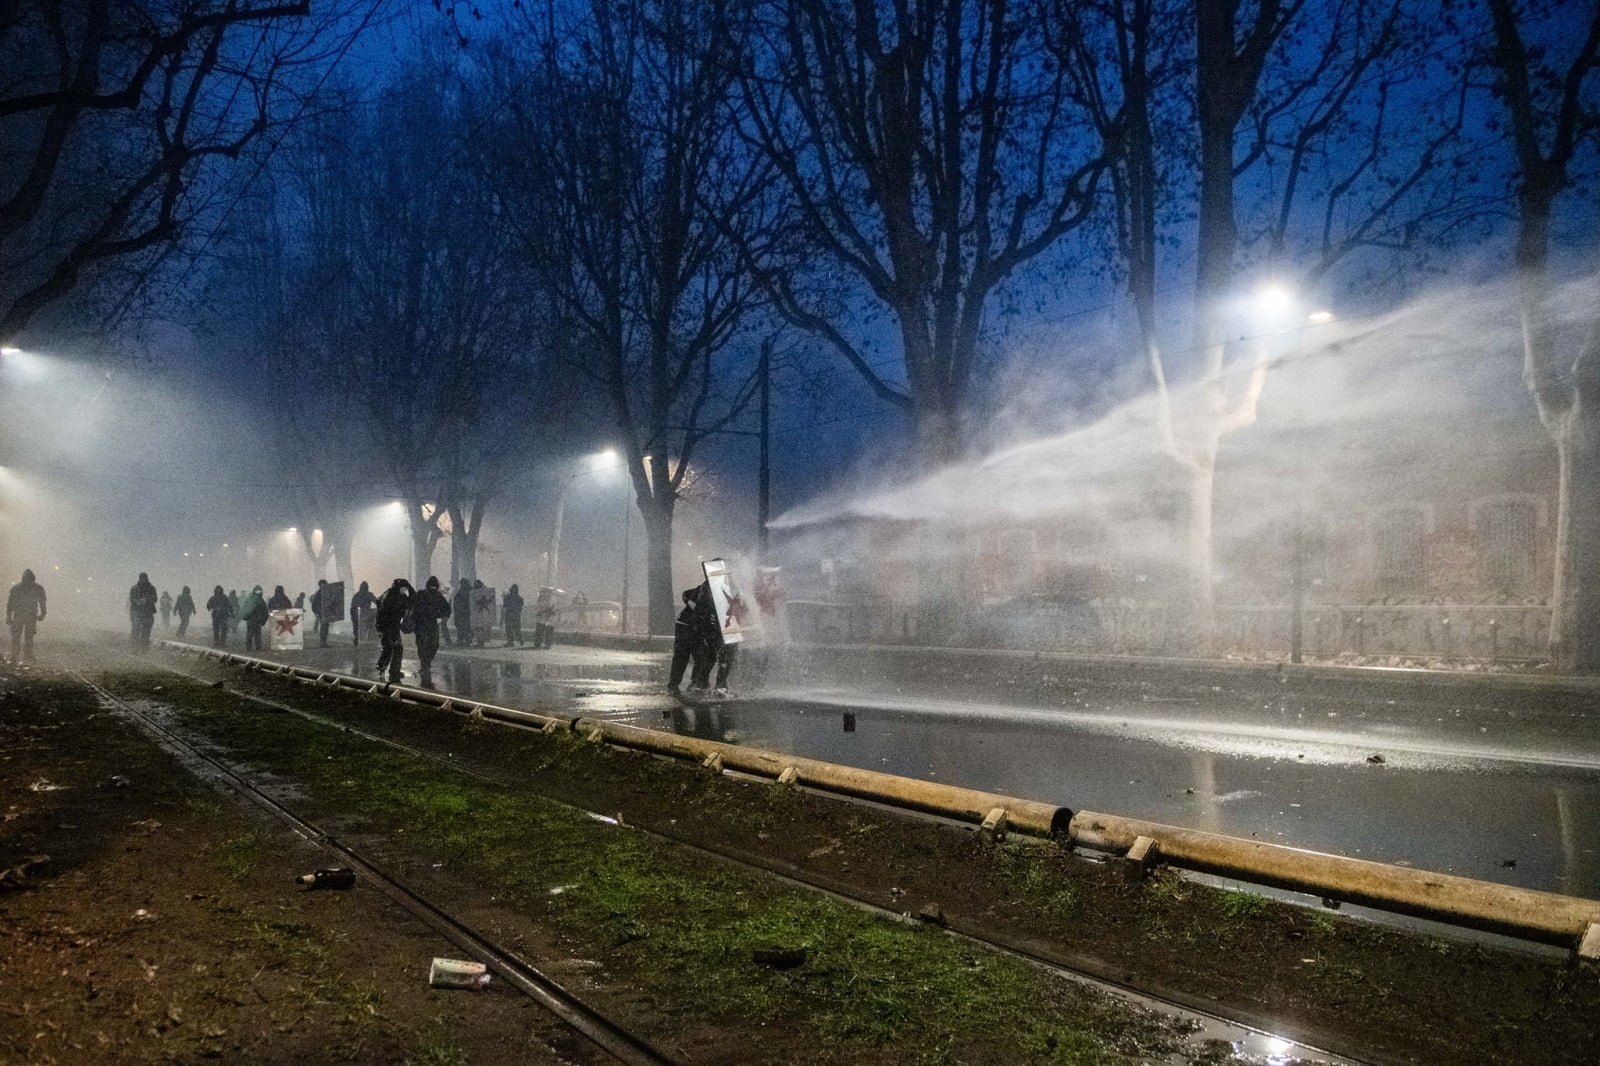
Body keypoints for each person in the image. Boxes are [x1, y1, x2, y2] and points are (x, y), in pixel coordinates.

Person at [411, 576, 452, 688]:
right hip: (421, 623)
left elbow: (446, 609)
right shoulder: (421, 594)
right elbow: (413, 608)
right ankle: (425, 664)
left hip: (431, 624)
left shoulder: (438, 596)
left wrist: (442, 617)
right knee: (423, 645)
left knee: (433, 645)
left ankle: (426, 662)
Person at [374, 578, 414, 683]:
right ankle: (387, 669)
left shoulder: (391, 595)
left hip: (388, 626)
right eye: (404, 588)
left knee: (393, 647)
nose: (405, 590)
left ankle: (387, 668)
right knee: (393, 647)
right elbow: (411, 602)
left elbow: (411, 601)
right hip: (388, 626)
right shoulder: (394, 597)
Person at [7, 569, 46, 663]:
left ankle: (18, 655)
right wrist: (42, 614)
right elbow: (42, 603)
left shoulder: (16, 588)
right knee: (25, 636)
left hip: (22, 615)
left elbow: (10, 604)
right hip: (28, 615)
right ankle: (23, 655)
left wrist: (8, 616)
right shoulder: (38, 588)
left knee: (21, 636)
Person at [667, 586, 699, 692]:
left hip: (699, 627)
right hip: (685, 625)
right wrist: (692, 604)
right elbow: (686, 594)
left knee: (702, 657)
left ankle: (695, 683)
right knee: (681, 656)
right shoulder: (704, 588)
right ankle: (673, 685)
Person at [128, 573, 158, 649]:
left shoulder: (151, 588)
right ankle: (135, 647)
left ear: (146, 578)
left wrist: (146, 600)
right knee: (136, 630)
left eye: (144, 578)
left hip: (148, 612)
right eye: (142, 578)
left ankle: (144, 649)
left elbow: (155, 598)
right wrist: (137, 602)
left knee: (146, 632)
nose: (143, 580)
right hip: (137, 612)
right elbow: (132, 599)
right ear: (140, 579)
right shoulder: (134, 588)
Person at [349, 581, 378, 648]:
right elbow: (377, 602)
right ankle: (367, 640)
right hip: (365, 614)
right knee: (368, 626)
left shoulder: (356, 595)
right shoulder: (369, 594)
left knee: (356, 628)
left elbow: (352, 605)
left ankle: (356, 639)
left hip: (355, 614)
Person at [241, 585, 269, 651]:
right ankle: (258, 648)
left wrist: (246, 618)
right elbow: (265, 612)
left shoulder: (250, 600)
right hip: (257, 620)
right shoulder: (261, 601)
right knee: (257, 635)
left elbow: (244, 609)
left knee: (250, 635)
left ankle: (249, 648)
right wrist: (262, 621)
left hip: (251, 620)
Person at [310, 578, 332, 648]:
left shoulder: (320, 592)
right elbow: (314, 604)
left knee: (325, 627)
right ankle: (322, 643)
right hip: (323, 613)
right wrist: (317, 612)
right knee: (324, 627)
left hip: (323, 612)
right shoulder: (320, 593)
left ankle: (323, 642)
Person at [453, 579, 473, 647]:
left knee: (463, 628)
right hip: (464, 613)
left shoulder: (462, 593)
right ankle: (465, 641)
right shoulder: (468, 592)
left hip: (464, 613)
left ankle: (464, 641)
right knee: (464, 628)